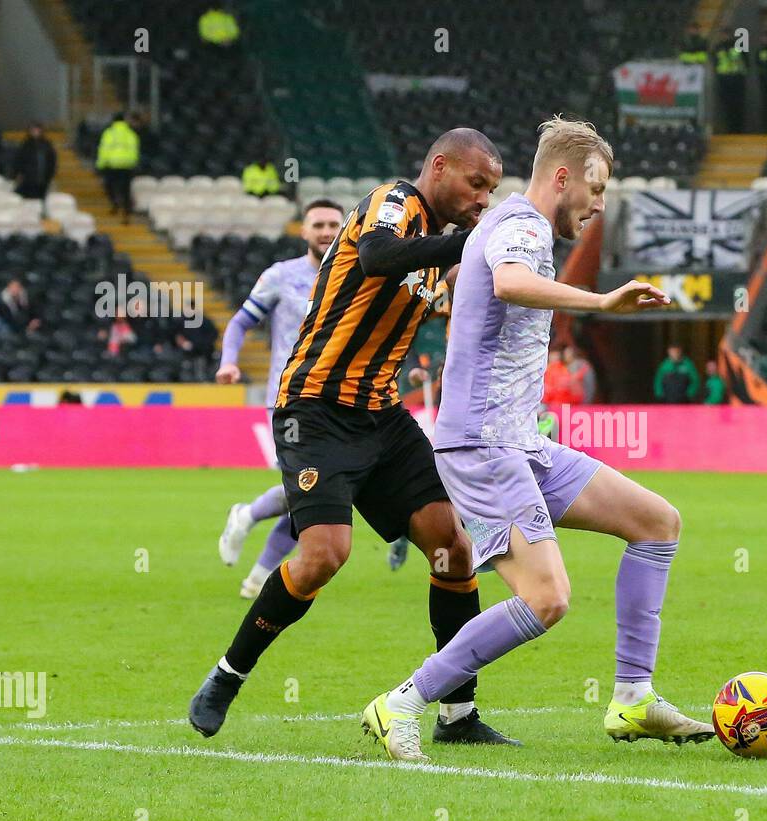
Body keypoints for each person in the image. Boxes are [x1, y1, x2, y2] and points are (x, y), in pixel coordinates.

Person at [361, 117, 710, 762]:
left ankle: (633, 698)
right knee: (546, 598)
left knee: (657, 522)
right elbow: (508, 283)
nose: (599, 204)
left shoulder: (511, 228)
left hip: (520, 441)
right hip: (483, 446)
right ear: (561, 176)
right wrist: (602, 302)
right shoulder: (520, 225)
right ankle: (401, 703)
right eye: (596, 188)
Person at [188, 127, 520, 748]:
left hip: (382, 415)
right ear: (439, 167)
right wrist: (461, 242)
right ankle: (228, 675)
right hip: (313, 407)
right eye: (476, 184)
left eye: (492, 192)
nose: (483, 199)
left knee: (452, 548)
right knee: (324, 555)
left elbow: (451, 311)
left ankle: (457, 715)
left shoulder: (446, 252)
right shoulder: (393, 203)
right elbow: (375, 257)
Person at [216, 200, 343, 598]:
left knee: (314, 493)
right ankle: (251, 524)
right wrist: (229, 362)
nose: (325, 231)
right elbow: (240, 322)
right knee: (311, 488)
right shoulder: (281, 276)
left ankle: (257, 573)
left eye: (333, 224)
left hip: (340, 400)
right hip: (291, 399)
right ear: (303, 231)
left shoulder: (356, 275)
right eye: (317, 224)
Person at [96, 113, 140, 223]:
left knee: (109, 186)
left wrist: (100, 164)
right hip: (127, 165)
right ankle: (126, 213)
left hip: (112, 164)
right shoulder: (131, 134)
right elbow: (134, 150)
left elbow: (104, 149)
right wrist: (133, 163)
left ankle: (115, 203)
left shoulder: (109, 133)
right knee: (125, 189)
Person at [712, 30, 750, 134]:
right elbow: (715, 62)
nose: (725, 37)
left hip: (737, 79)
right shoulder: (718, 47)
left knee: (738, 106)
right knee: (726, 107)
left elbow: (746, 61)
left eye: (726, 34)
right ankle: (729, 130)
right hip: (724, 80)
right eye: (723, 35)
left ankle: (739, 129)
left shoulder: (738, 46)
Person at [12, 123, 58, 206]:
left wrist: (50, 175)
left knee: (41, 201)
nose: (35, 132)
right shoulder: (25, 145)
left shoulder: (47, 145)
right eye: (33, 130)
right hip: (28, 179)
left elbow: (52, 161)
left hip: (43, 179)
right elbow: (19, 160)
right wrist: (19, 173)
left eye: (37, 130)